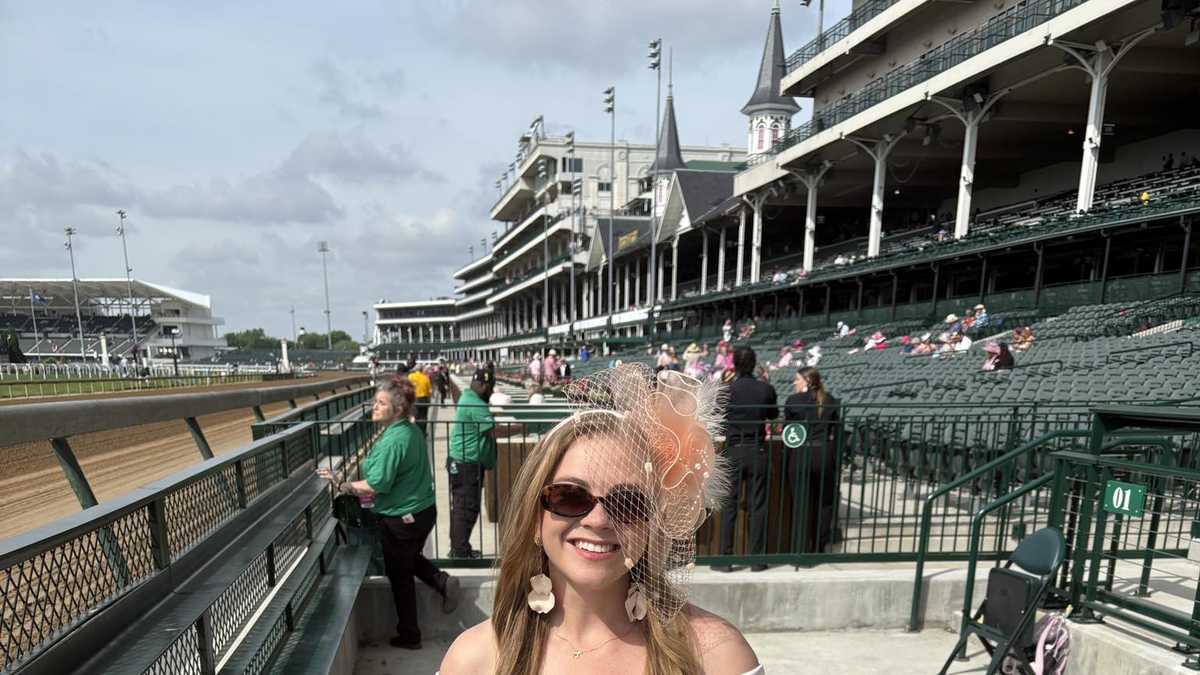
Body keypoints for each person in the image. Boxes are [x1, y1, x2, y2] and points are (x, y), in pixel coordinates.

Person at [439, 365, 761, 675]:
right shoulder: (472, 660)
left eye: (628, 503)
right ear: (535, 517)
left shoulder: (718, 657)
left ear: (654, 523)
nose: (599, 520)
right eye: (569, 496)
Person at [317, 375, 459, 649]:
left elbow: (377, 484)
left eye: (381, 403)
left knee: (399, 576)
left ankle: (410, 635)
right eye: (375, 402)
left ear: (398, 409)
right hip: (421, 512)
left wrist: (343, 484)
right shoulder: (409, 430)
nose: (375, 407)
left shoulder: (395, 440)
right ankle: (442, 582)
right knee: (407, 560)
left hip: (402, 520)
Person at [714, 347, 777, 572]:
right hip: (757, 450)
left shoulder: (727, 389)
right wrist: (766, 383)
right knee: (757, 506)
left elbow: (717, 415)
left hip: (734, 451)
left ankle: (725, 560)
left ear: (735, 365)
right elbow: (773, 415)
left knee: (729, 506)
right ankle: (757, 560)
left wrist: (723, 383)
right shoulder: (765, 388)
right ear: (753, 364)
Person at [782, 367, 840, 553]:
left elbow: (788, 433)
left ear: (807, 381)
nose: (794, 382)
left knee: (801, 504)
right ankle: (819, 547)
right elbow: (837, 432)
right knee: (824, 503)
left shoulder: (793, 400)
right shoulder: (830, 400)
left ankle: (801, 548)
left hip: (801, 455)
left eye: (797, 379)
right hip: (824, 454)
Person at [447, 368, 497, 559]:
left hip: (461, 462)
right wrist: (521, 428)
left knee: (462, 506)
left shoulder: (467, 397)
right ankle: (460, 551)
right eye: (490, 387)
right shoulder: (475, 403)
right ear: (483, 385)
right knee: (466, 508)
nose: (491, 391)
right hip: (467, 464)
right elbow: (492, 431)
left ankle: (460, 548)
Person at [404, 362, 433, 440]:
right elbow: (430, 391)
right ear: (422, 370)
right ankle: (423, 433)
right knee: (423, 417)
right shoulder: (425, 378)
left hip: (414, 399)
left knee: (414, 416)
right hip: (424, 399)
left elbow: (406, 387)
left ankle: (414, 433)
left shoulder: (410, 376)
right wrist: (429, 399)